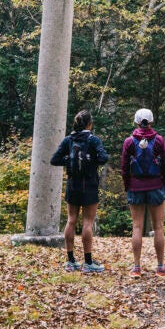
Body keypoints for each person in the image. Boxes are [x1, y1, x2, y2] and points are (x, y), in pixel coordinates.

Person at [50, 109, 110, 274]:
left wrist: (70, 160)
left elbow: (54, 159)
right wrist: (91, 161)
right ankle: (88, 262)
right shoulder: (93, 140)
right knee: (87, 223)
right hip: (89, 185)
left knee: (71, 220)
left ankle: (70, 261)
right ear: (90, 124)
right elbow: (104, 158)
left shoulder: (68, 140)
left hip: (72, 184)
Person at [121, 108, 165, 278]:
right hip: (155, 186)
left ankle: (136, 267)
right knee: (158, 226)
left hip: (135, 186)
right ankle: (160, 267)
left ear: (136, 122)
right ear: (151, 121)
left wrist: (128, 186)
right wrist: (164, 185)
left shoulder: (129, 141)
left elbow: (124, 168)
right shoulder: (159, 140)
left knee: (137, 226)